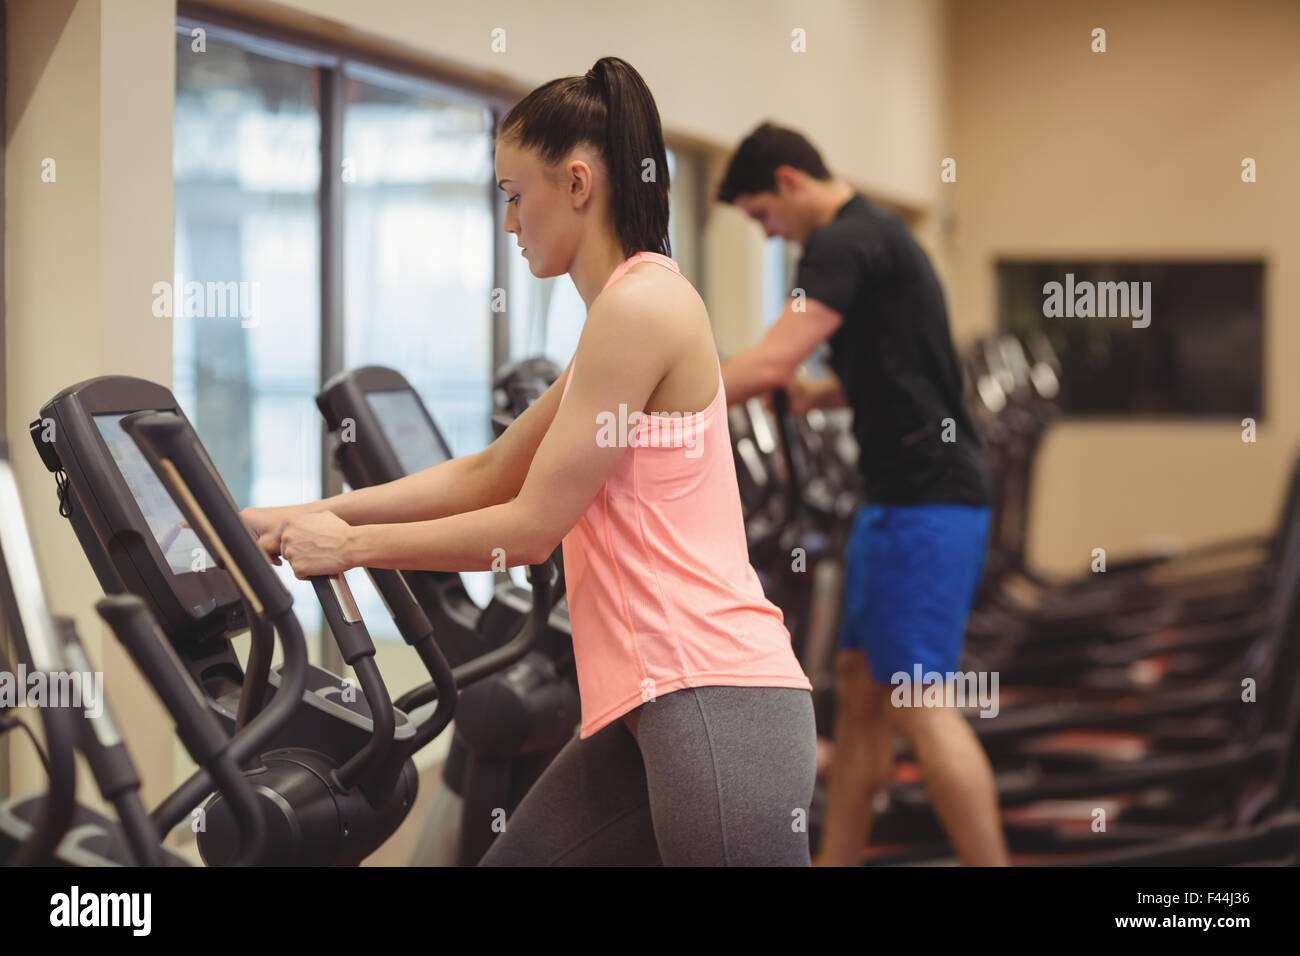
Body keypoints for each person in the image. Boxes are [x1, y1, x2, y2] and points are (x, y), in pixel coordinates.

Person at [240, 60, 817, 867]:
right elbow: (491, 473)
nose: (509, 223)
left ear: (577, 182)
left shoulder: (640, 307)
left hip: (712, 700)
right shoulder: (625, 309)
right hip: (655, 706)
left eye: (515, 196)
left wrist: (350, 550)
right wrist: (299, 516)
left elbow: (532, 527)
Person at [715, 122, 1010, 866]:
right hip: (895, 497)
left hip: (926, 502)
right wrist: (821, 399)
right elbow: (902, 365)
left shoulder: (842, 245)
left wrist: (648, 398)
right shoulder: (875, 237)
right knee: (859, 689)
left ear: (789, 181)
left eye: (762, 216)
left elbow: (772, 360)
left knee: (918, 703)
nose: (769, 234)